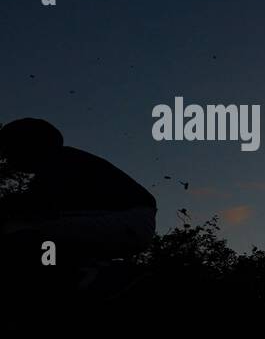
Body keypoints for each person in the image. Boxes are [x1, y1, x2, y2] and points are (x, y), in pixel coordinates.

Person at [0, 118, 156, 291]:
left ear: (28, 144)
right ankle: (88, 273)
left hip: (126, 220)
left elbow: (28, 207)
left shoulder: (58, 162)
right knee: (35, 234)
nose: (7, 157)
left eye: (9, 149)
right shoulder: (63, 162)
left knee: (26, 235)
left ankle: (95, 276)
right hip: (126, 222)